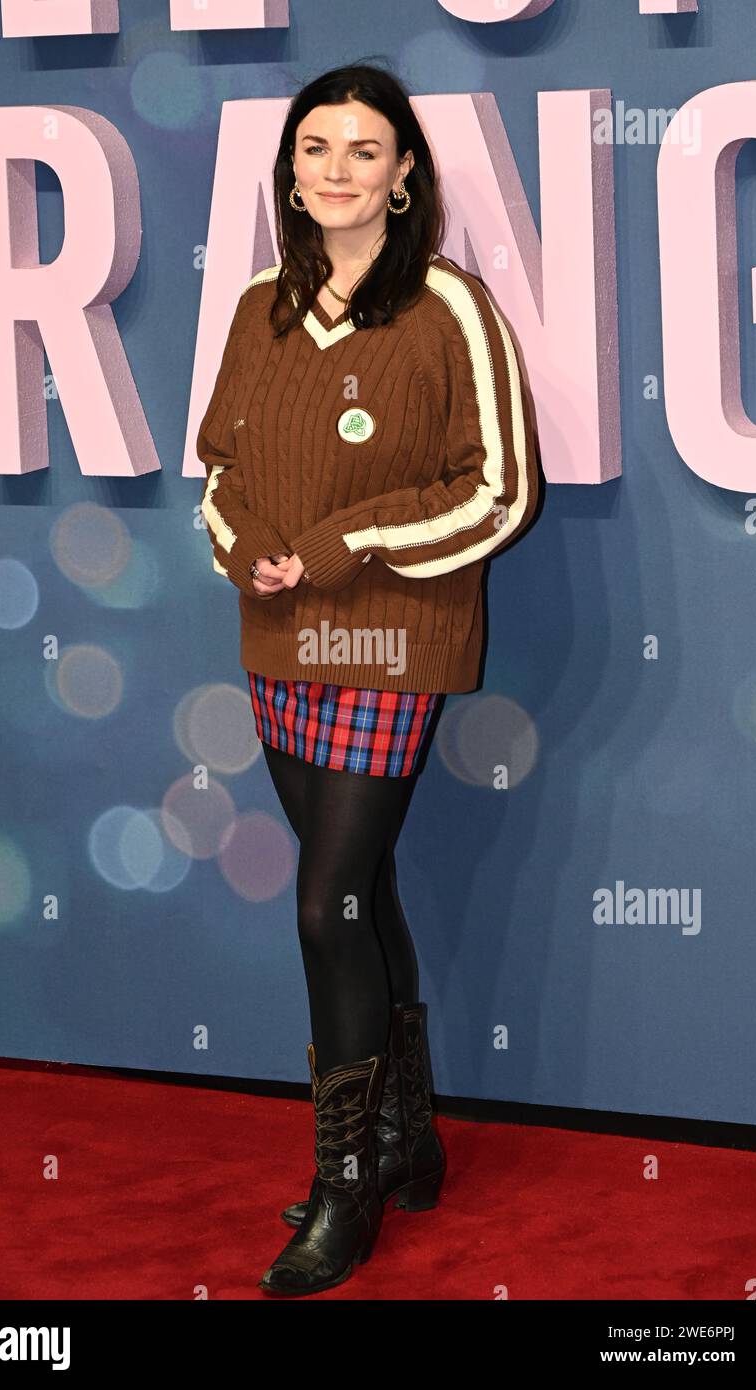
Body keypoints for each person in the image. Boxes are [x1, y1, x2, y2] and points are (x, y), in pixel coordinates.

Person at [196, 61, 542, 1298]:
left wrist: (345, 545)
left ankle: (343, 1188)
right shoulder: (256, 306)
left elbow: (499, 489)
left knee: (321, 903)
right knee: (362, 891)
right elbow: (219, 470)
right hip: (278, 641)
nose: (334, 170)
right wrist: (246, 550)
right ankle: (406, 1135)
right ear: (288, 172)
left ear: (404, 176)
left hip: (389, 642)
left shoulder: (447, 305)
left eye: (362, 150)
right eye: (313, 149)